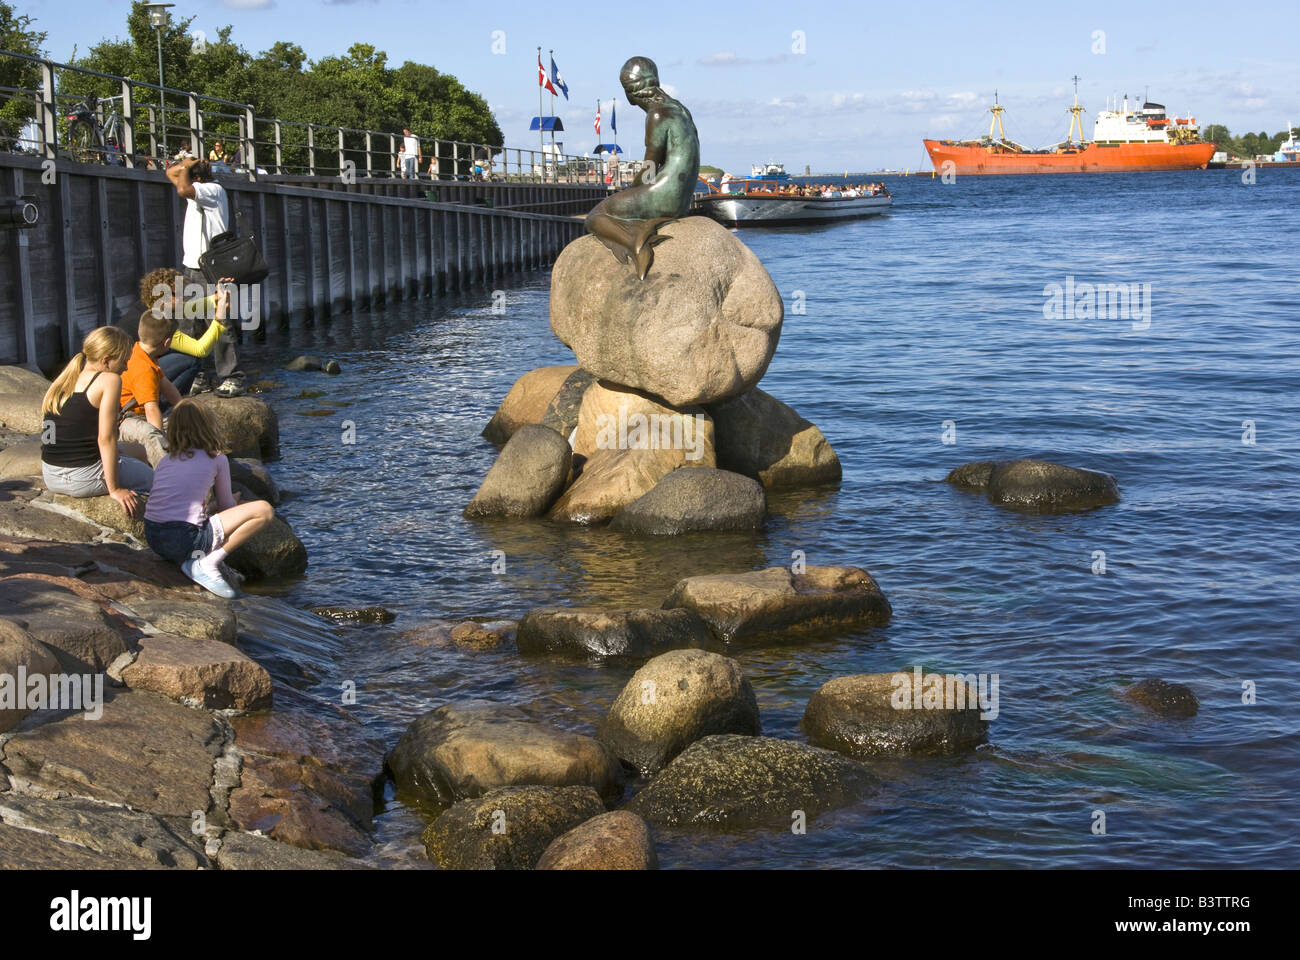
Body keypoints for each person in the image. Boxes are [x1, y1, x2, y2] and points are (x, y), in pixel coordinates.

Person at [143, 399, 274, 598]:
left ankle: (196, 559)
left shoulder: (166, 460)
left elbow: (176, 503)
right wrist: (236, 503)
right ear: (208, 425)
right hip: (185, 540)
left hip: (154, 537)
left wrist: (210, 507)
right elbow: (226, 506)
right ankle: (207, 562)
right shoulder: (216, 458)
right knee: (264, 510)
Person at [40, 326, 152, 517]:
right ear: (106, 361)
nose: (126, 368)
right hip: (82, 477)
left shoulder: (64, 380)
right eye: (124, 362)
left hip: (51, 476)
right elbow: (105, 439)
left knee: (140, 450)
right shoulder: (109, 380)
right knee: (160, 481)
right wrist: (115, 489)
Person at [166, 157, 246, 398]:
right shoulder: (197, 189)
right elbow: (171, 173)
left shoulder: (211, 189)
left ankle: (233, 377)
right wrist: (185, 163)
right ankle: (198, 374)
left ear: (197, 179)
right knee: (190, 322)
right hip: (192, 266)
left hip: (210, 268)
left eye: (188, 175)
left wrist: (186, 167)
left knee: (219, 321)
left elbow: (181, 187)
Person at [134, 266, 232, 397]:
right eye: (177, 294)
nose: (183, 297)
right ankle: (166, 401)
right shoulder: (160, 323)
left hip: (136, 370)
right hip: (135, 376)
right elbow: (200, 350)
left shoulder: (156, 308)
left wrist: (218, 296)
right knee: (193, 359)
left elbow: (191, 307)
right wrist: (219, 319)